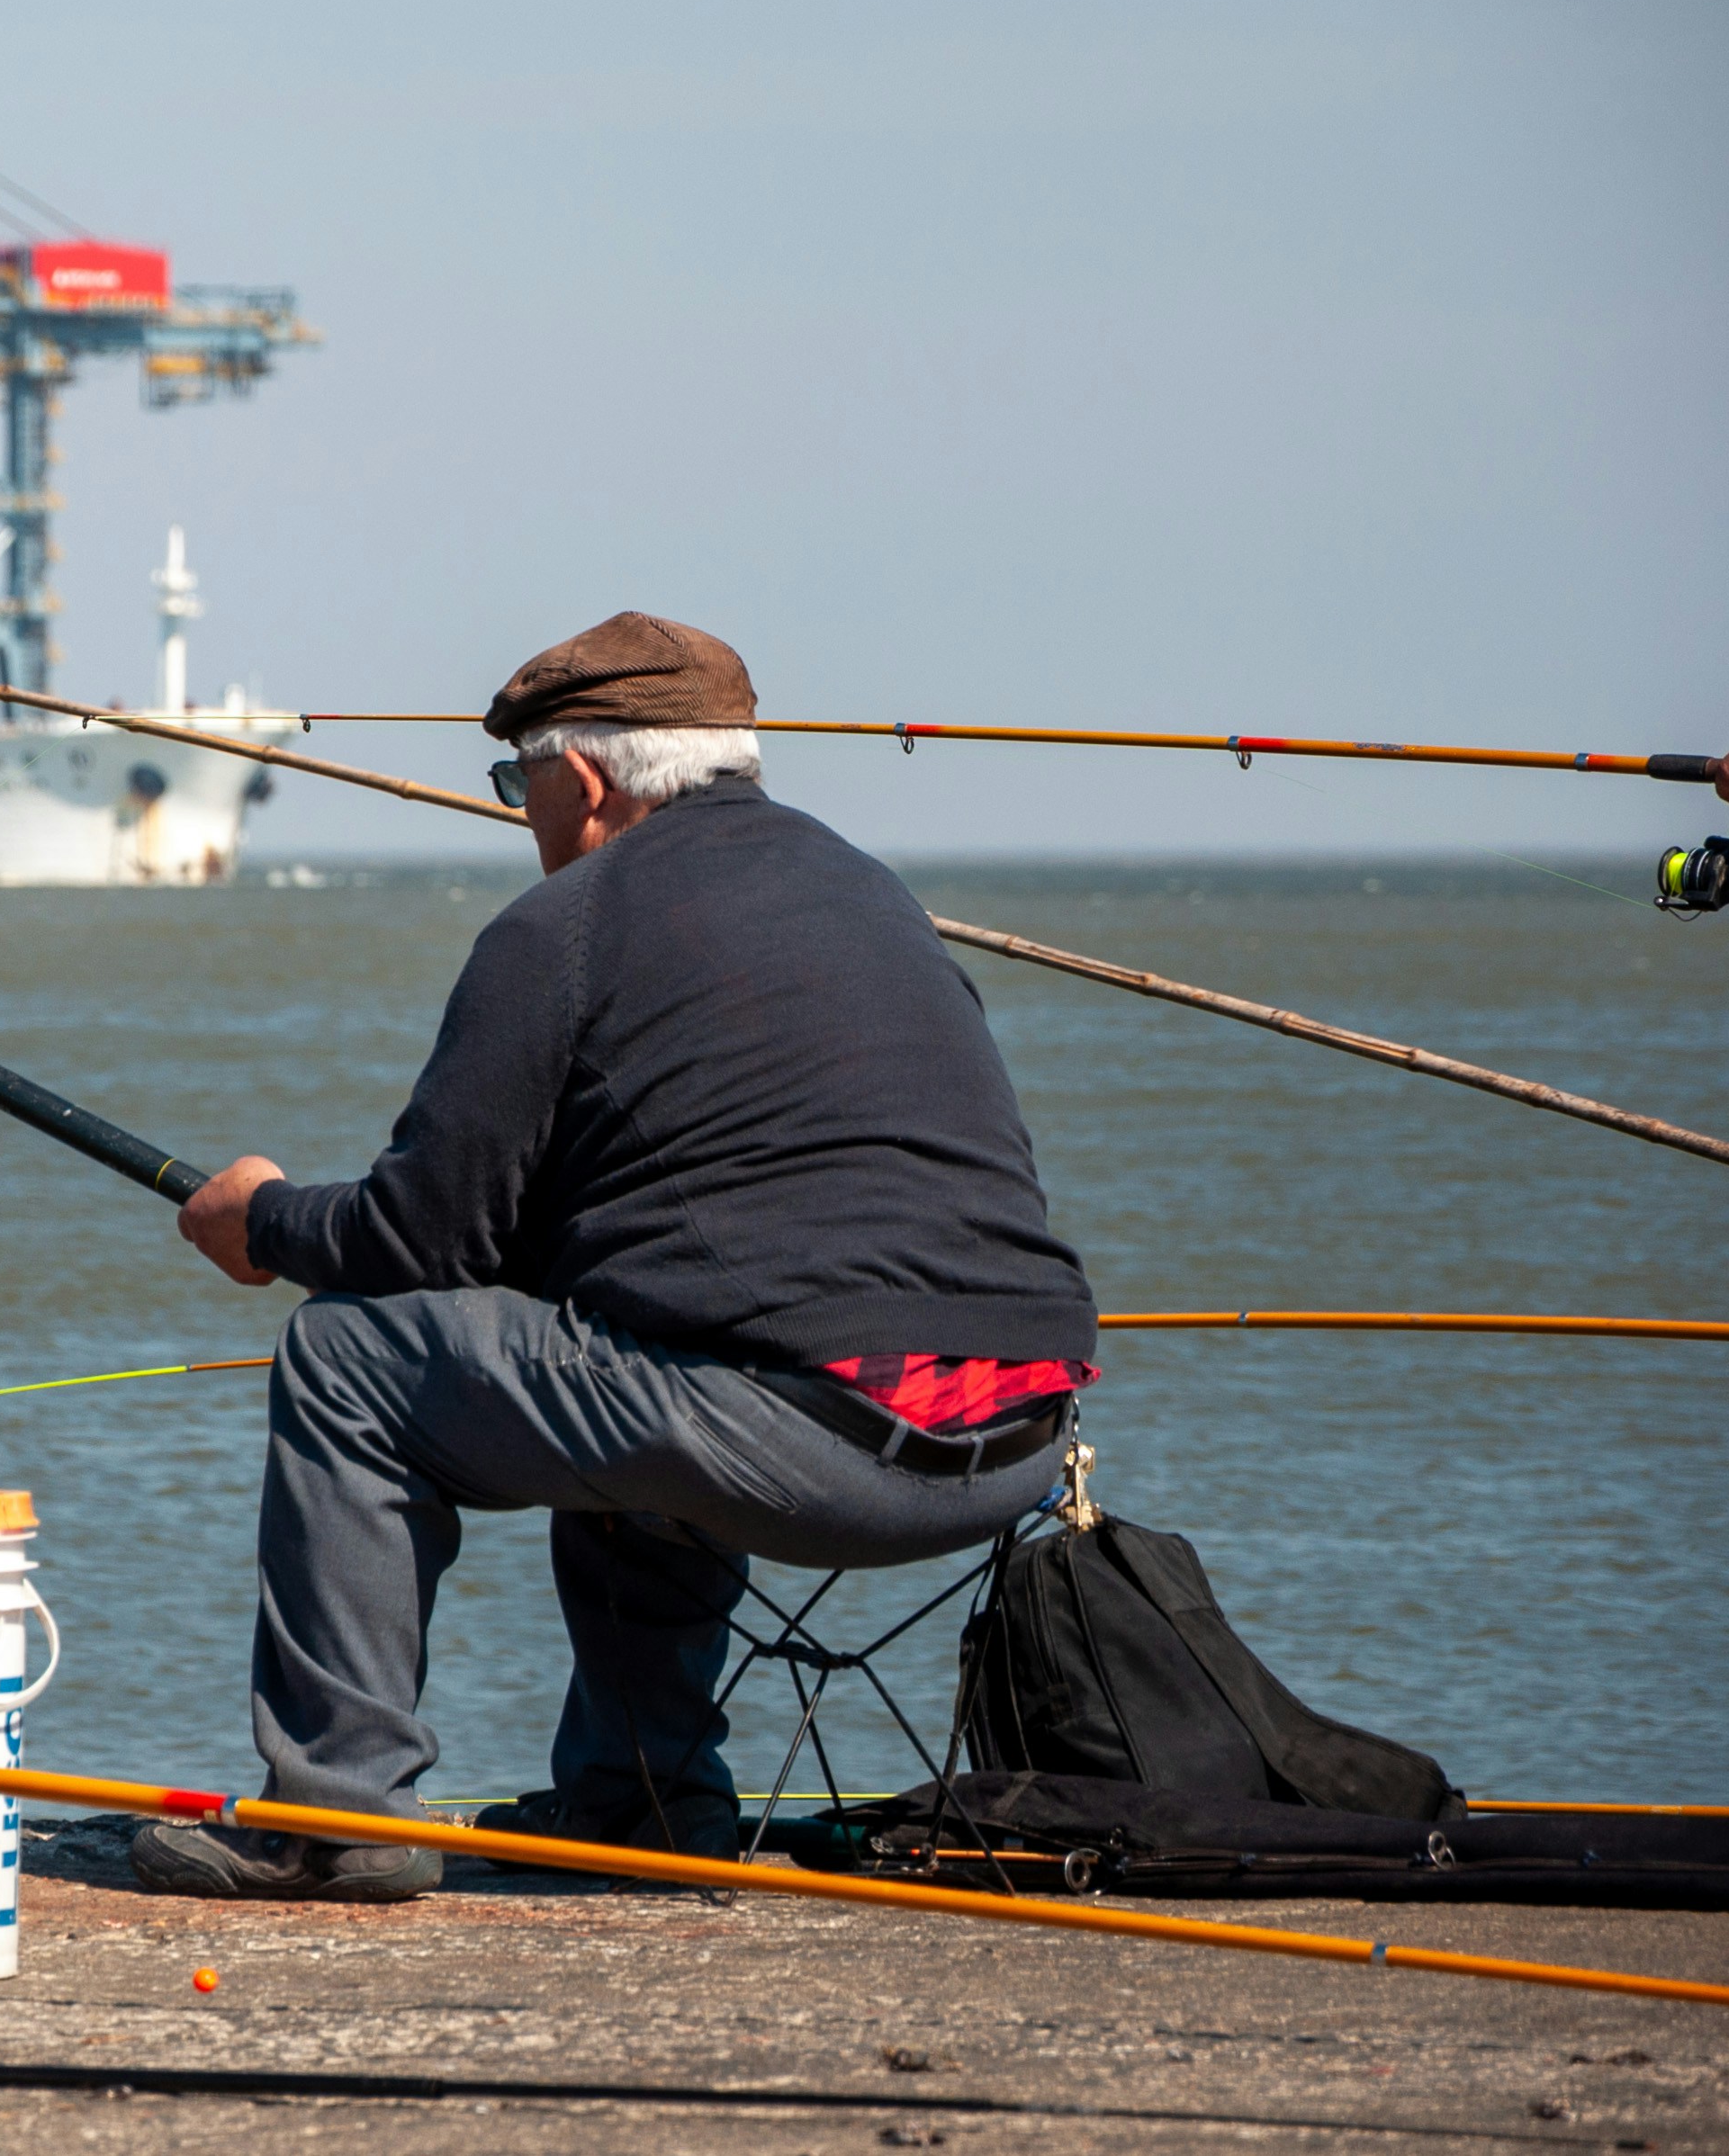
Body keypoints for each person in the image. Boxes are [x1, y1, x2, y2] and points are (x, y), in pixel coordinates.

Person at [136, 614, 1095, 1902]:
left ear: (578, 780)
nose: (518, 815)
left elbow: (415, 1242)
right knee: (616, 1341)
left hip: (816, 1442)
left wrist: (257, 1219)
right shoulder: (873, 894)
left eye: (513, 782)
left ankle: (337, 1812)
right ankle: (639, 1803)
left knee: (341, 1361)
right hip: (1020, 1432)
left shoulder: (559, 929)